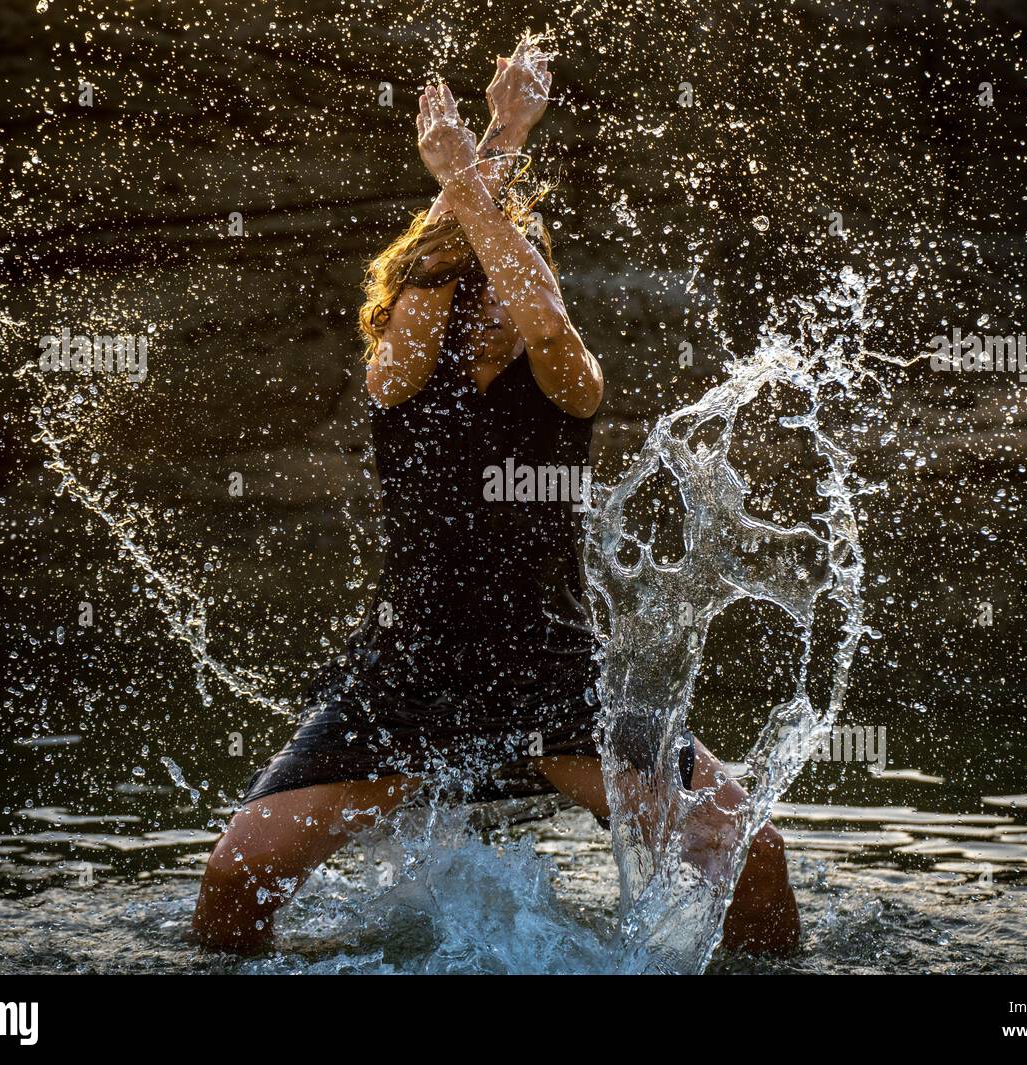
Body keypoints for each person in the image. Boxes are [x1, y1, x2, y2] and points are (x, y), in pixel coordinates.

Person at [192, 35, 799, 958]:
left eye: (513, 276)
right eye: (471, 285)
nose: (497, 299)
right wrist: (498, 141)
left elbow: (546, 310)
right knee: (235, 875)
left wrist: (487, 152)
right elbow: (432, 274)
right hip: (407, 679)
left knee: (752, 851)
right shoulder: (400, 374)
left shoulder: (567, 380)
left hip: (555, 679)